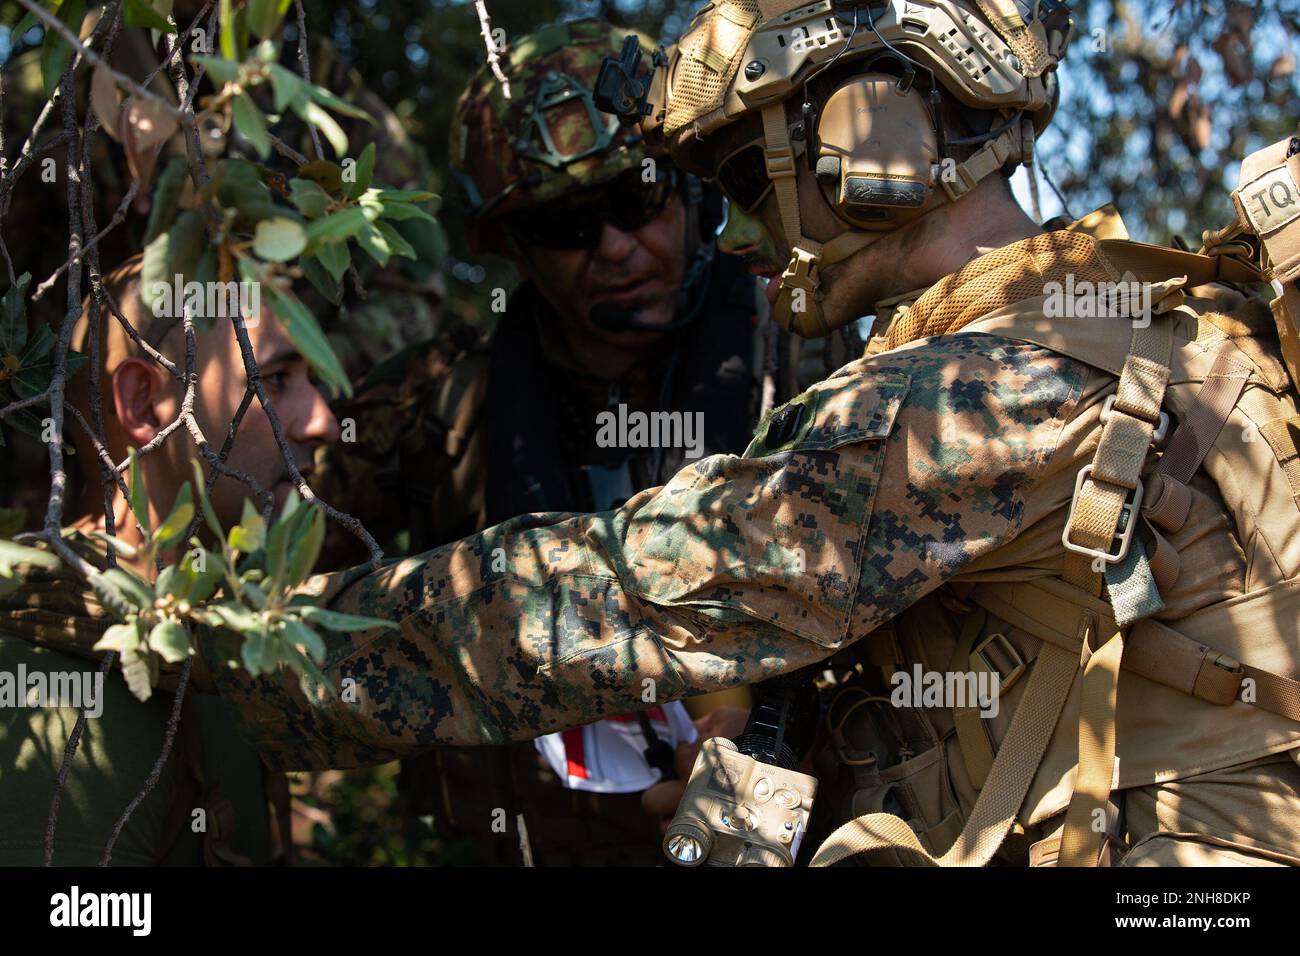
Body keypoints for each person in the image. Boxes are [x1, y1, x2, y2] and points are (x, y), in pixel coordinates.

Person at [55, 0, 1300, 867]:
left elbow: (605, 597)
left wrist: (231, 648)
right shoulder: (1139, 307)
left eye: (750, 179)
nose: (746, 231)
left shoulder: (981, 390)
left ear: (865, 144)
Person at [315, 18, 769, 865]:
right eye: (567, 224)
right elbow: (277, 606)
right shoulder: (433, 408)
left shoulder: (804, 363)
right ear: (516, 250)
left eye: (635, 200)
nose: (615, 247)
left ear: (692, 187)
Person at [0, 256, 340, 864]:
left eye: (313, 381)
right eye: (274, 380)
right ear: (143, 403)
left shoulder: (218, 633)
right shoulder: (53, 675)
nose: (325, 422)